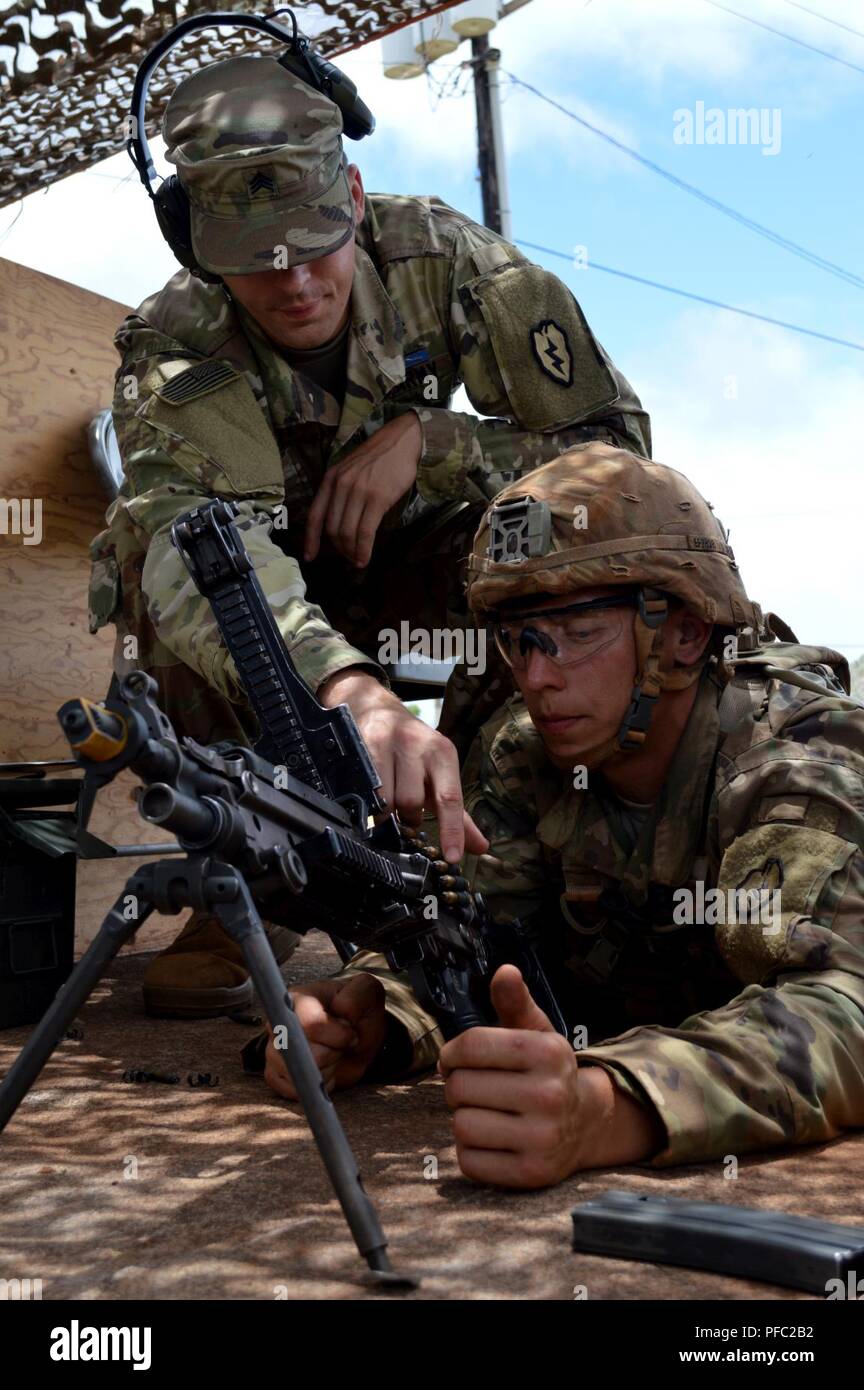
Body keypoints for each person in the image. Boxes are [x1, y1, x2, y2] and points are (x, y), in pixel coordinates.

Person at [86, 53, 650, 1018]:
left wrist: (430, 444)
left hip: (422, 565)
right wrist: (345, 687)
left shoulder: (448, 261)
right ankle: (251, 889)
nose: (297, 284)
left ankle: (490, 856)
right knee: (157, 563)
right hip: (273, 596)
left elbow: (615, 460)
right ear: (197, 246)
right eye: (258, 261)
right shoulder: (175, 342)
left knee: (550, 536)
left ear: (352, 192)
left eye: (317, 244)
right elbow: (199, 542)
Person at [255, 442, 864, 1187]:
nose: (538, 678)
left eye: (579, 635)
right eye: (520, 641)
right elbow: (482, 930)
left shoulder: (797, 760)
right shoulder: (531, 753)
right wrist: (376, 1013)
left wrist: (607, 1106)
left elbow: (844, 1013)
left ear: (683, 634)